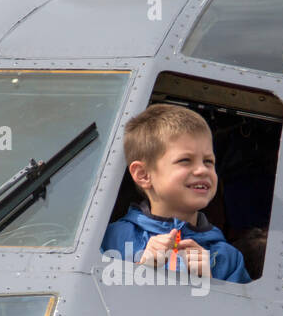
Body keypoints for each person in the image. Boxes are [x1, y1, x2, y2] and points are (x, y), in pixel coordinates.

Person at [101, 104, 251, 283]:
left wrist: (210, 285)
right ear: (143, 175)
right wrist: (141, 270)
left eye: (208, 161)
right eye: (185, 160)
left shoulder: (228, 258)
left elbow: (238, 310)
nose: (202, 170)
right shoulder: (112, 238)